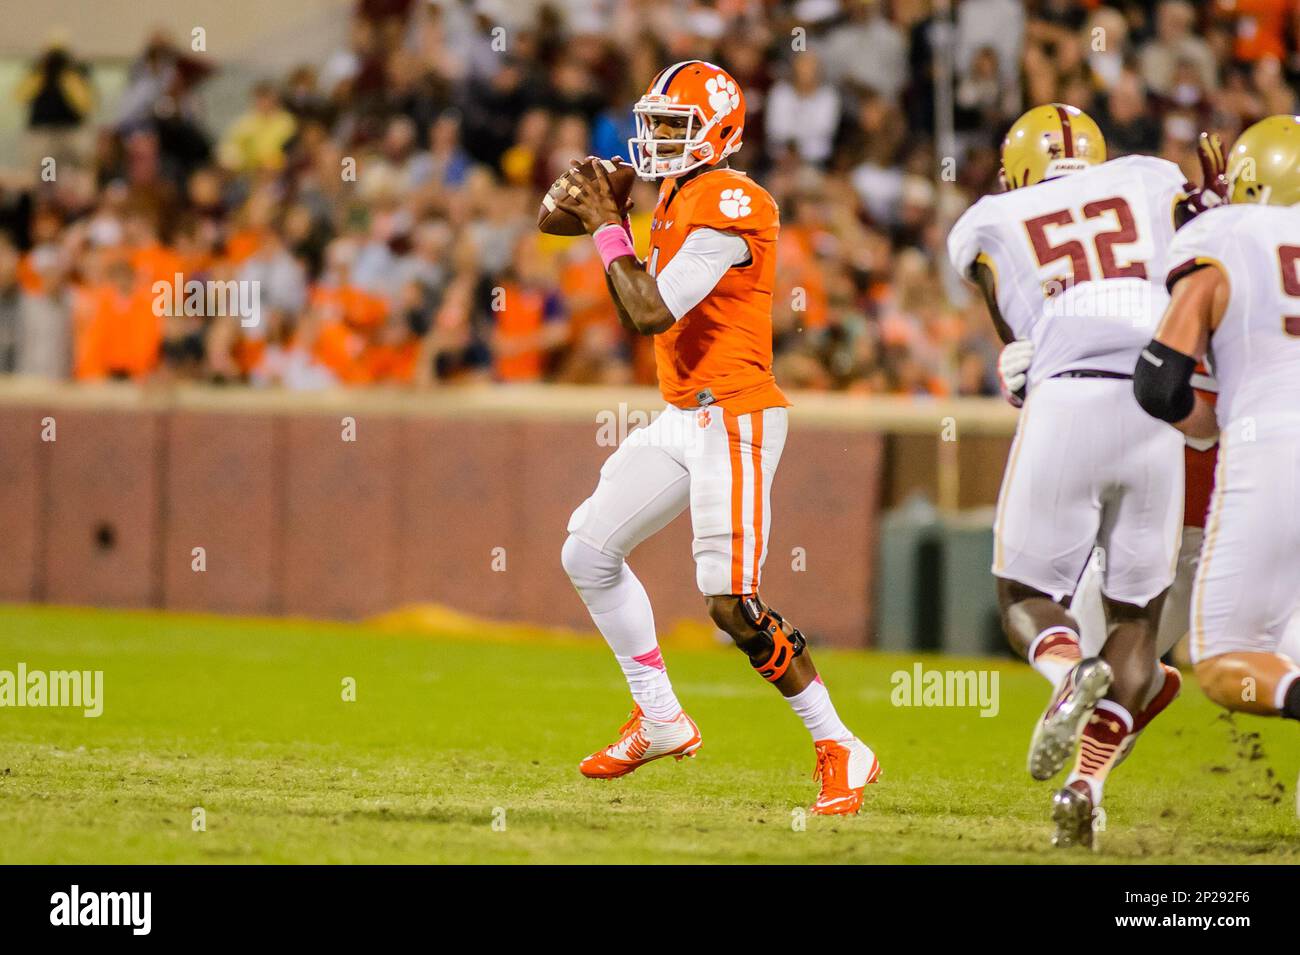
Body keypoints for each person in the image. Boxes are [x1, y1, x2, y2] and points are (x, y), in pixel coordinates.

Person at [554, 60, 880, 815]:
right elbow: (597, 268)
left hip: (734, 413)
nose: (658, 140)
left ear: (720, 133)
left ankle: (841, 745)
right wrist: (596, 212)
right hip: (681, 415)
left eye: (676, 127)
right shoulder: (671, 190)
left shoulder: (735, 200)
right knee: (587, 552)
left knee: (731, 604)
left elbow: (650, 312)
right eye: (656, 124)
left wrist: (607, 226)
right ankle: (661, 717)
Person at [948, 103, 1220, 847]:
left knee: (1025, 595)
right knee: (1137, 627)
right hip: (1158, 404)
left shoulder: (990, 217)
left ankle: (1067, 670)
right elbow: (1206, 265)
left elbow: (1018, 323)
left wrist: (1025, 363)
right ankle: (1086, 784)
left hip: (1071, 390)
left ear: (1018, 171)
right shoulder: (1152, 179)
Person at [1132, 116, 1300, 783]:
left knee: (1225, 658)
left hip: (1274, 447)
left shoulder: (1222, 234)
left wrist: (1208, 425)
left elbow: (1159, 381)